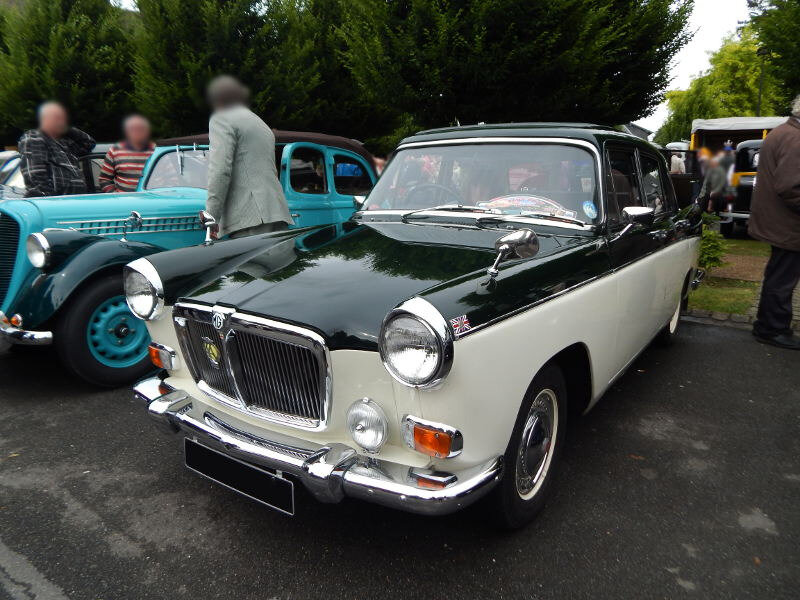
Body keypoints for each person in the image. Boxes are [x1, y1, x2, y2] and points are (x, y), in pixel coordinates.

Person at [205, 75, 293, 239]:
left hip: (249, 217)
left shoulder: (221, 118)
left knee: (250, 265)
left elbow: (220, 170)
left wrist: (211, 216)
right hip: (276, 211)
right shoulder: (260, 123)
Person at [747, 94, 800, 350]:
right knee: (782, 279)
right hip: (788, 223)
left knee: (778, 275)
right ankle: (772, 329)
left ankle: (768, 326)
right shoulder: (796, 138)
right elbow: (791, 187)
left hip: (779, 220)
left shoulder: (784, 132)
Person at [17, 101, 95, 197]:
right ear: (44, 119)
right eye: (56, 117)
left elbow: (89, 143)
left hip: (75, 200)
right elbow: (35, 175)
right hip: (55, 203)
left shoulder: (65, 142)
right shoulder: (34, 136)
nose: (62, 121)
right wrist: (50, 199)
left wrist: (68, 129)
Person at [98, 114, 155, 193]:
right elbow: (104, 179)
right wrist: (116, 196)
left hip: (153, 202)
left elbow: (170, 178)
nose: (137, 132)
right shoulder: (115, 151)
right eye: (133, 129)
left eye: (140, 129)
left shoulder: (157, 150)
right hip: (124, 203)